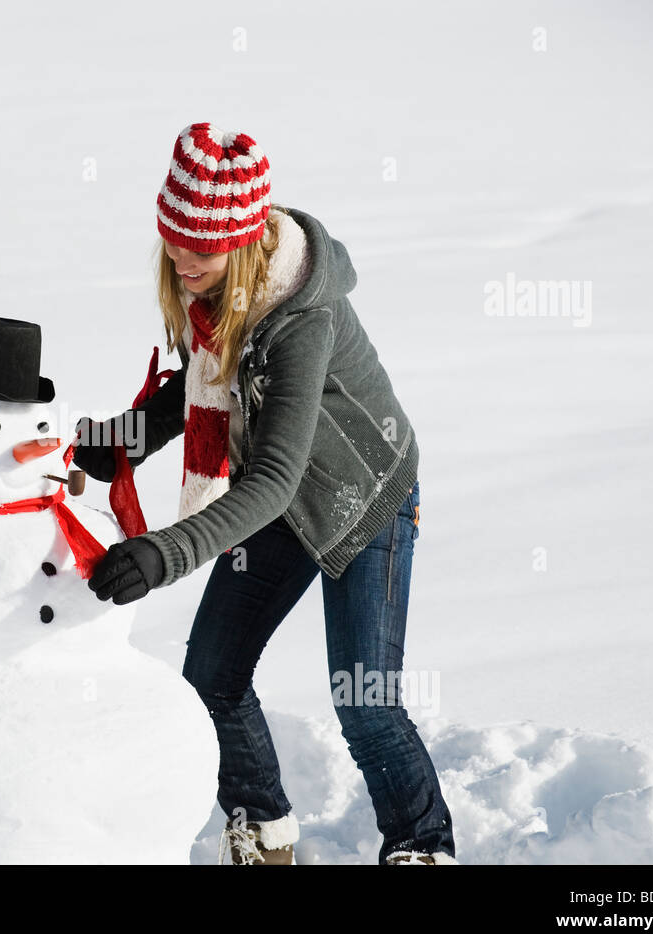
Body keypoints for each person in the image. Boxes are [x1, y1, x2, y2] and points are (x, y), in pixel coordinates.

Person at [76, 123, 455, 865]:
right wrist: (118, 438)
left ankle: (420, 844)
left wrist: (166, 553)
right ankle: (264, 830)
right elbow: (197, 393)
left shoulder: (299, 316)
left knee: (366, 704)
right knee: (211, 679)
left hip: (361, 500)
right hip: (273, 501)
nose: (183, 258)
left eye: (202, 246)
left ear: (245, 242)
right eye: (172, 239)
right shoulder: (210, 292)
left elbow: (277, 475)